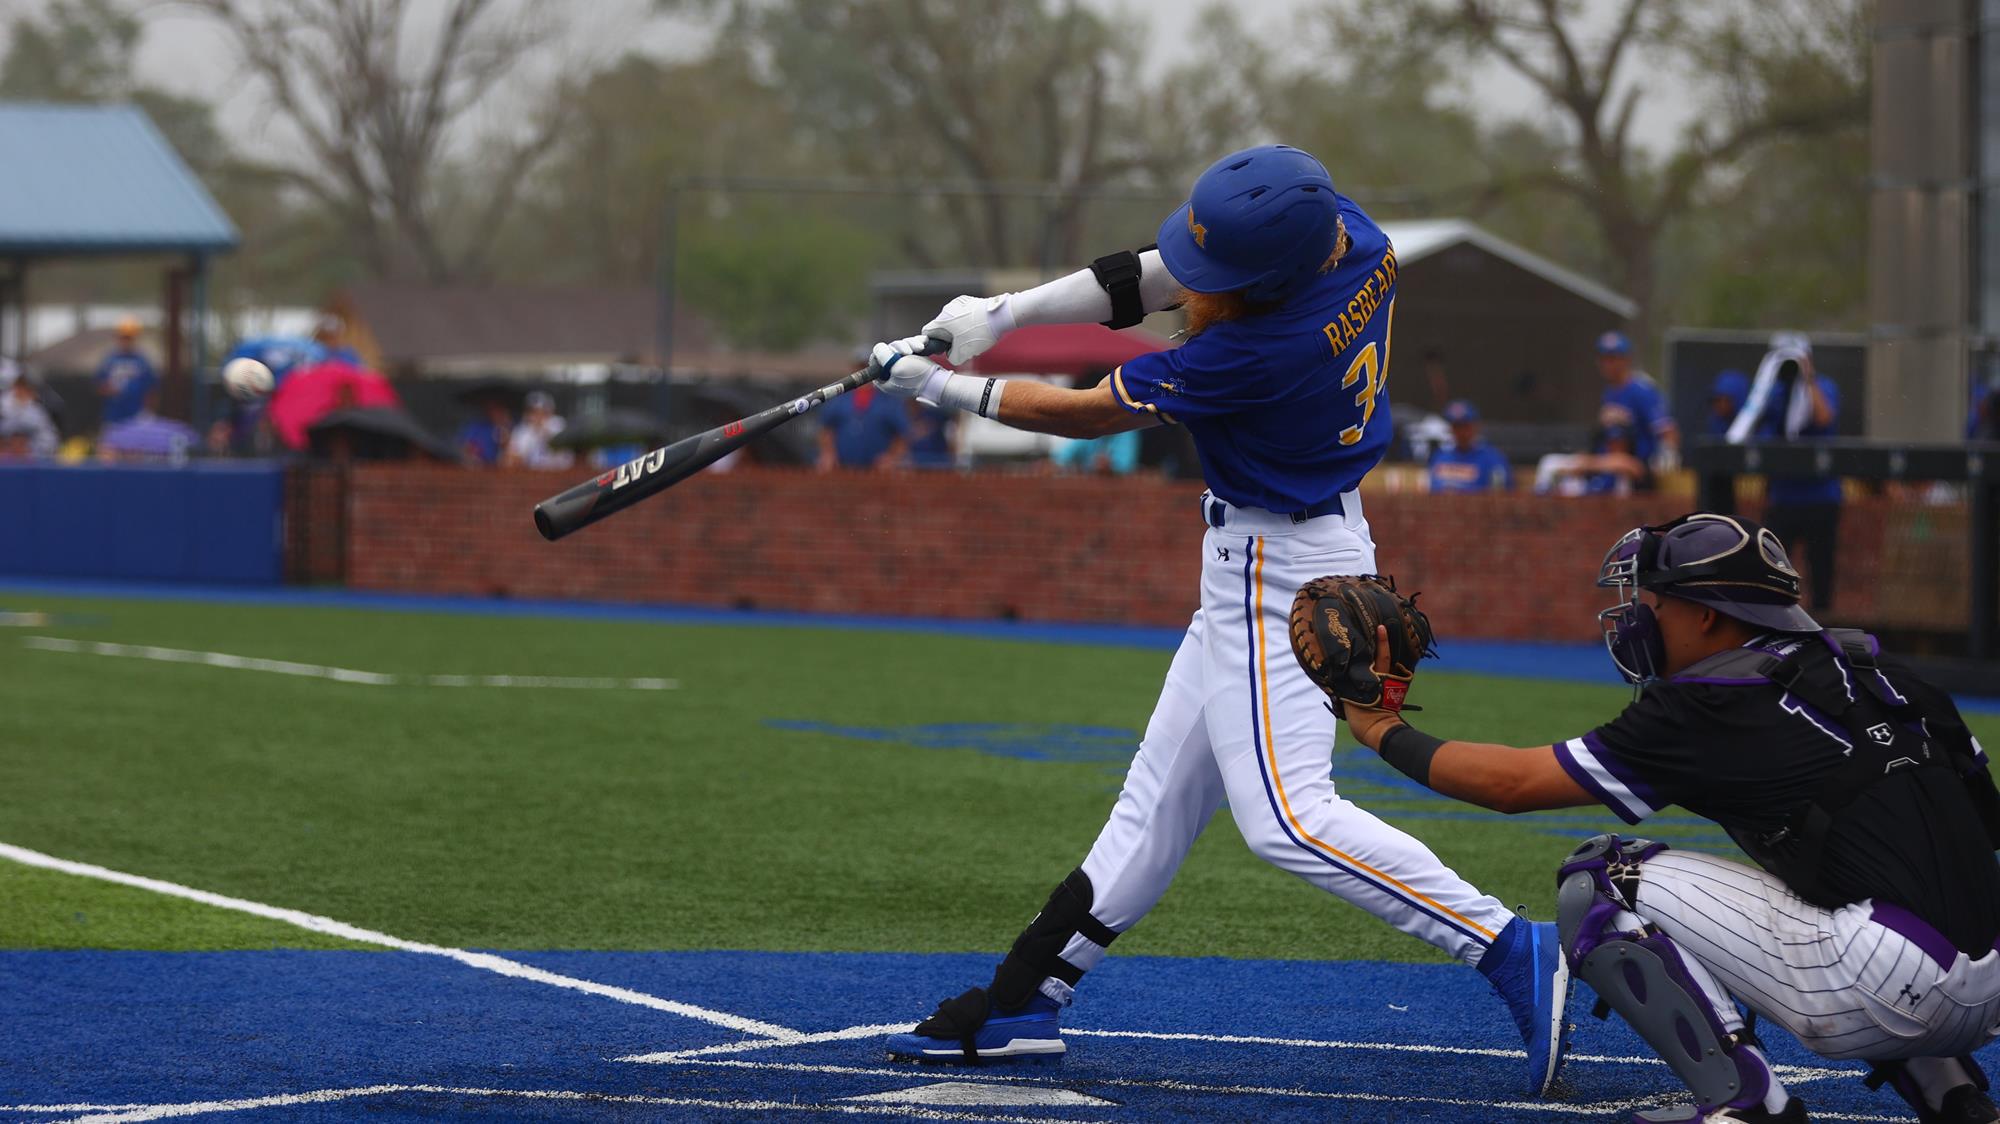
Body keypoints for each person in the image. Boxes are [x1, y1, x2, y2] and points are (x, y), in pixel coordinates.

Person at [863, 144, 1571, 1093]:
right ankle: (1023, 1002)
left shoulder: (1254, 353)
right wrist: (1007, 314)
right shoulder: (1353, 237)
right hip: (1288, 545)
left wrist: (942, 387)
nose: (1200, 282)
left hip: (1281, 572)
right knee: (1152, 808)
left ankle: (1512, 948)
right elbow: (1164, 275)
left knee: (1286, 819)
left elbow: (1082, 414)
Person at [1313, 512, 2000, 1123]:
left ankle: (1744, 1104)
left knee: (1602, 877)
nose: (1637, 616)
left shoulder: (1710, 700)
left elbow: (1512, 785)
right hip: (1988, 984)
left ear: (1707, 616)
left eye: (1654, 601)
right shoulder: (1886, 673)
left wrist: (1380, 729)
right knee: (1868, 884)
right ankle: (1956, 1098)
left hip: (1878, 988)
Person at [1732, 335, 1842, 612]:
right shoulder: (1773, 391)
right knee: (1773, 570)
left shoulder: (1823, 386)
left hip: (1821, 497)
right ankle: (1776, 625)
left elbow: (1823, 418)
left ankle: (1821, 628)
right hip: (1783, 497)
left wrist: (1807, 377)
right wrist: (1769, 379)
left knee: (1821, 573)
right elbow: (1751, 427)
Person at [1594, 330, 1678, 474]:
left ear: (1626, 359)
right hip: (1611, 468)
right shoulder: (1609, 393)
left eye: (1613, 358)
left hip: (1638, 470)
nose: (1607, 364)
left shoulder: (1642, 390)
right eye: (1604, 359)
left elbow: (1667, 431)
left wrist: (1666, 459)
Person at [815, 378, 909, 470]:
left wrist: (892, 457)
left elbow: (903, 436)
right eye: (860, 368)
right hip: (842, 468)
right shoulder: (840, 399)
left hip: (878, 471)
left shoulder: (889, 401)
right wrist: (828, 453)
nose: (864, 374)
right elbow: (826, 430)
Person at [1425, 399, 1511, 493]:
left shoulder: (1493, 458)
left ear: (1476, 426)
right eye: (1456, 426)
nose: (1460, 432)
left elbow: (1500, 496)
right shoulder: (1440, 455)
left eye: (1464, 426)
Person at [94, 317, 157, 427]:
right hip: (113, 415)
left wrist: (147, 412)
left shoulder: (142, 361)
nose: (126, 341)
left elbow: (151, 389)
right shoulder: (109, 360)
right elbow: (99, 385)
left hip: (137, 415)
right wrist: (109, 390)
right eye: (124, 337)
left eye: (129, 338)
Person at [504, 391, 573, 469]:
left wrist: (542, 430)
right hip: (535, 475)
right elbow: (512, 457)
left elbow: (563, 448)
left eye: (542, 411)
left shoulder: (558, 423)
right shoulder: (523, 430)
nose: (538, 415)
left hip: (560, 472)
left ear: (550, 411)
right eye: (533, 411)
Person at [1707, 369, 1750, 436]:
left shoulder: (1756, 426)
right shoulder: (1716, 423)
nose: (1720, 405)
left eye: (1726, 400)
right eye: (1717, 400)